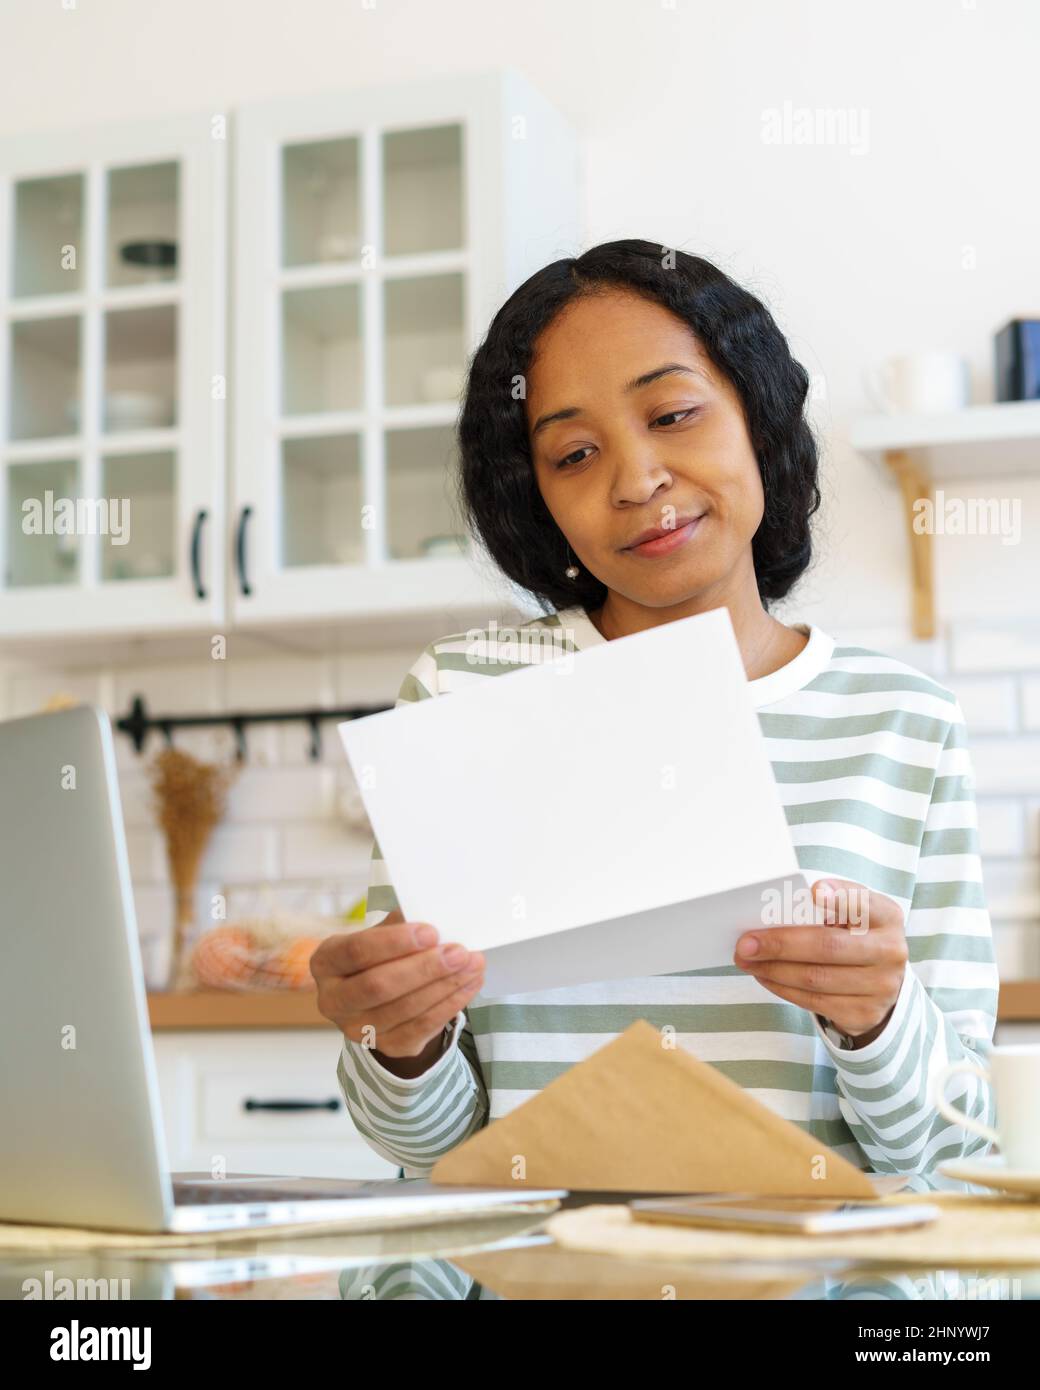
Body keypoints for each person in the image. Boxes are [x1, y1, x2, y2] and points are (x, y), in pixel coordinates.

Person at [312, 239, 998, 1179]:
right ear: (539, 498)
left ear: (757, 416)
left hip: (809, 1261)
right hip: (539, 1258)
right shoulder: (462, 695)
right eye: (574, 454)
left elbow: (951, 1141)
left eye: (672, 414)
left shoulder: (901, 722)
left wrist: (877, 1019)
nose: (636, 481)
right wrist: (398, 1042)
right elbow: (429, 1150)